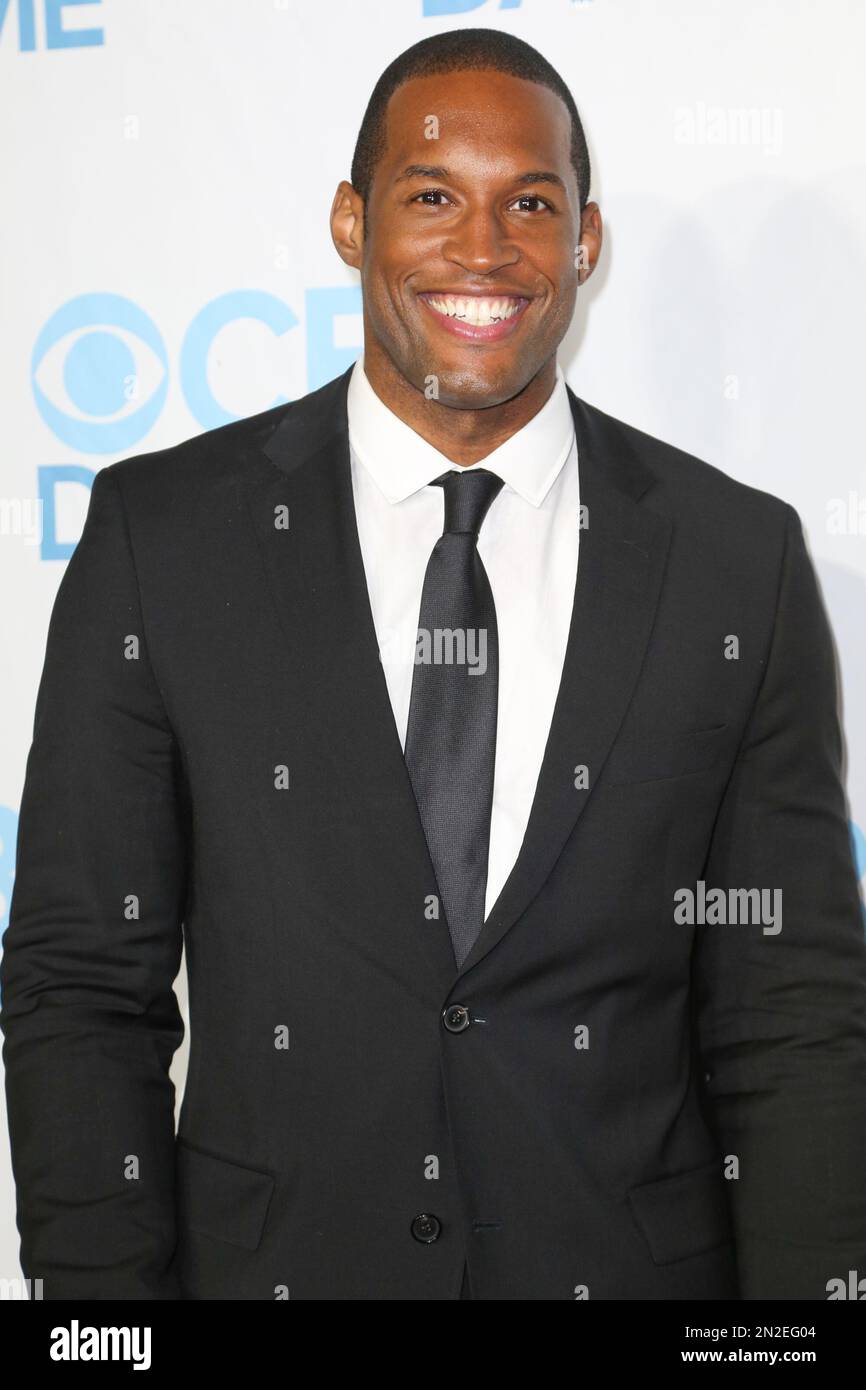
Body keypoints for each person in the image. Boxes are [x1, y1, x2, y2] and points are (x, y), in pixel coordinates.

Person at [3, 26, 866, 1302]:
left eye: (530, 201)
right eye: (429, 197)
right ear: (352, 224)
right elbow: (81, 982)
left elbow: (788, 1009)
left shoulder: (734, 559)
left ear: (584, 242)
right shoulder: (163, 540)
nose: (482, 249)